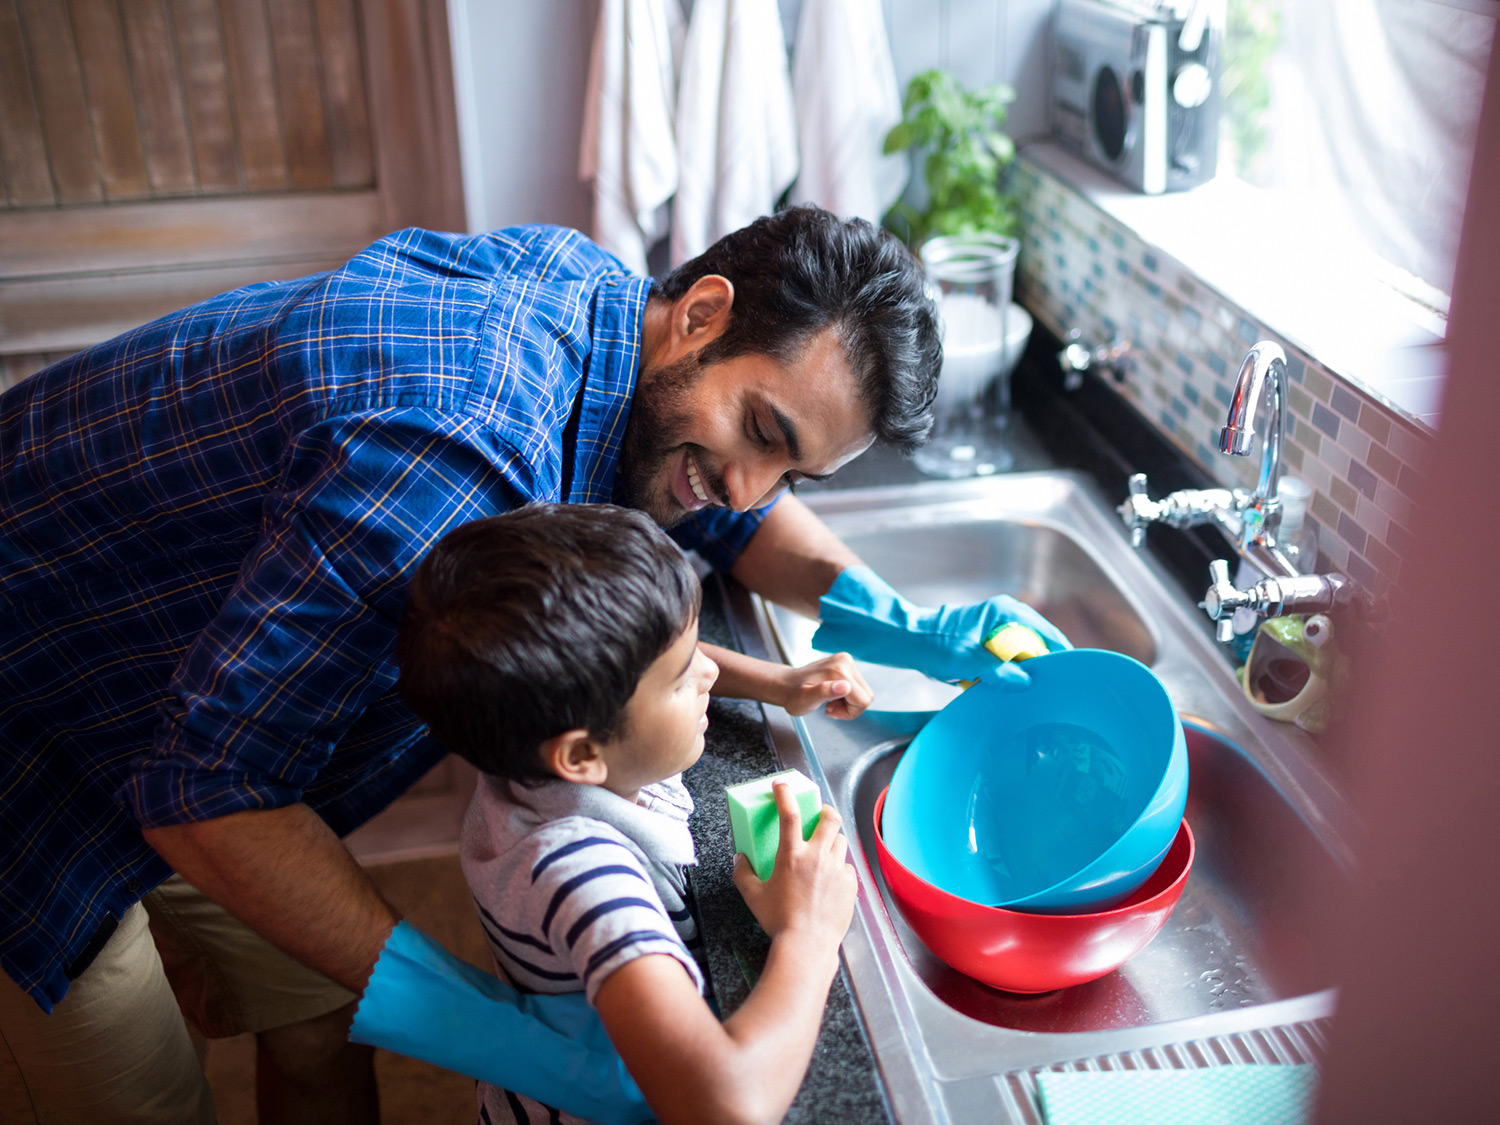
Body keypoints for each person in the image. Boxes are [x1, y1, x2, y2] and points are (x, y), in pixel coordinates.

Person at [0, 204, 1064, 1123]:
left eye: (795, 467)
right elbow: (199, 789)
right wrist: (500, 1035)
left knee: (317, 1021)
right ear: (702, 316)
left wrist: (899, 623)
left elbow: (718, 505)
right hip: (38, 736)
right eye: (763, 430)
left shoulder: (614, 315)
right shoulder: (454, 454)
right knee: (145, 1102)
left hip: (198, 699)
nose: (752, 488)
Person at [397, 502, 860, 1125]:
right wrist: (808, 934)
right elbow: (725, 1107)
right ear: (582, 754)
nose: (710, 672)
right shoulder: (581, 872)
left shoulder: (529, 744)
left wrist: (777, 682)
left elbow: (646, 670)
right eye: (681, 677)